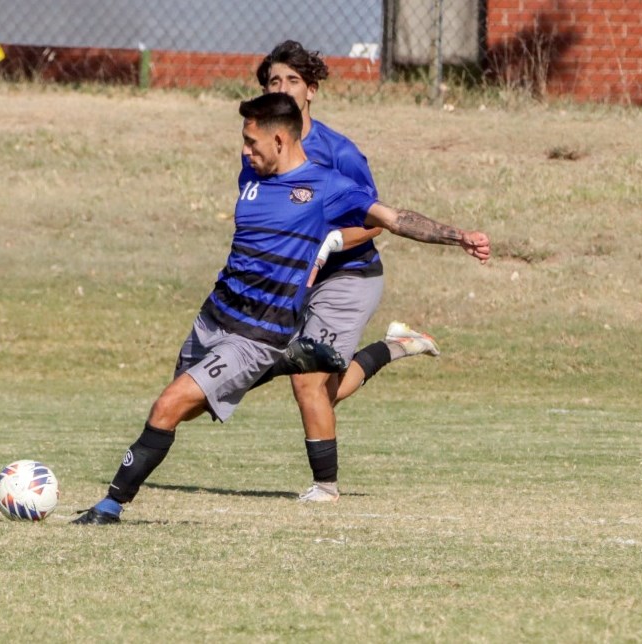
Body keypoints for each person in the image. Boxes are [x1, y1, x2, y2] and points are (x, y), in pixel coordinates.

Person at [71, 92, 490, 525]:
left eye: (252, 142)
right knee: (185, 407)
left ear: (278, 140)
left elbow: (394, 218)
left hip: (257, 334)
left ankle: (110, 506)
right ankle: (280, 364)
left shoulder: (328, 188)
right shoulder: (250, 177)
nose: (244, 150)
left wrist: (457, 236)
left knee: (167, 406)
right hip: (214, 317)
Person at [254, 41, 447, 503]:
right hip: (299, 282)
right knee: (324, 388)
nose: (282, 89)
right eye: (274, 82)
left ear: (311, 91)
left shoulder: (339, 152)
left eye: (293, 81)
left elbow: (375, 222)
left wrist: (332, 240)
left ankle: (326, 488)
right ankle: (393, 347)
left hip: (350, 276)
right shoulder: (259, 148)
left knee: (309, 382)